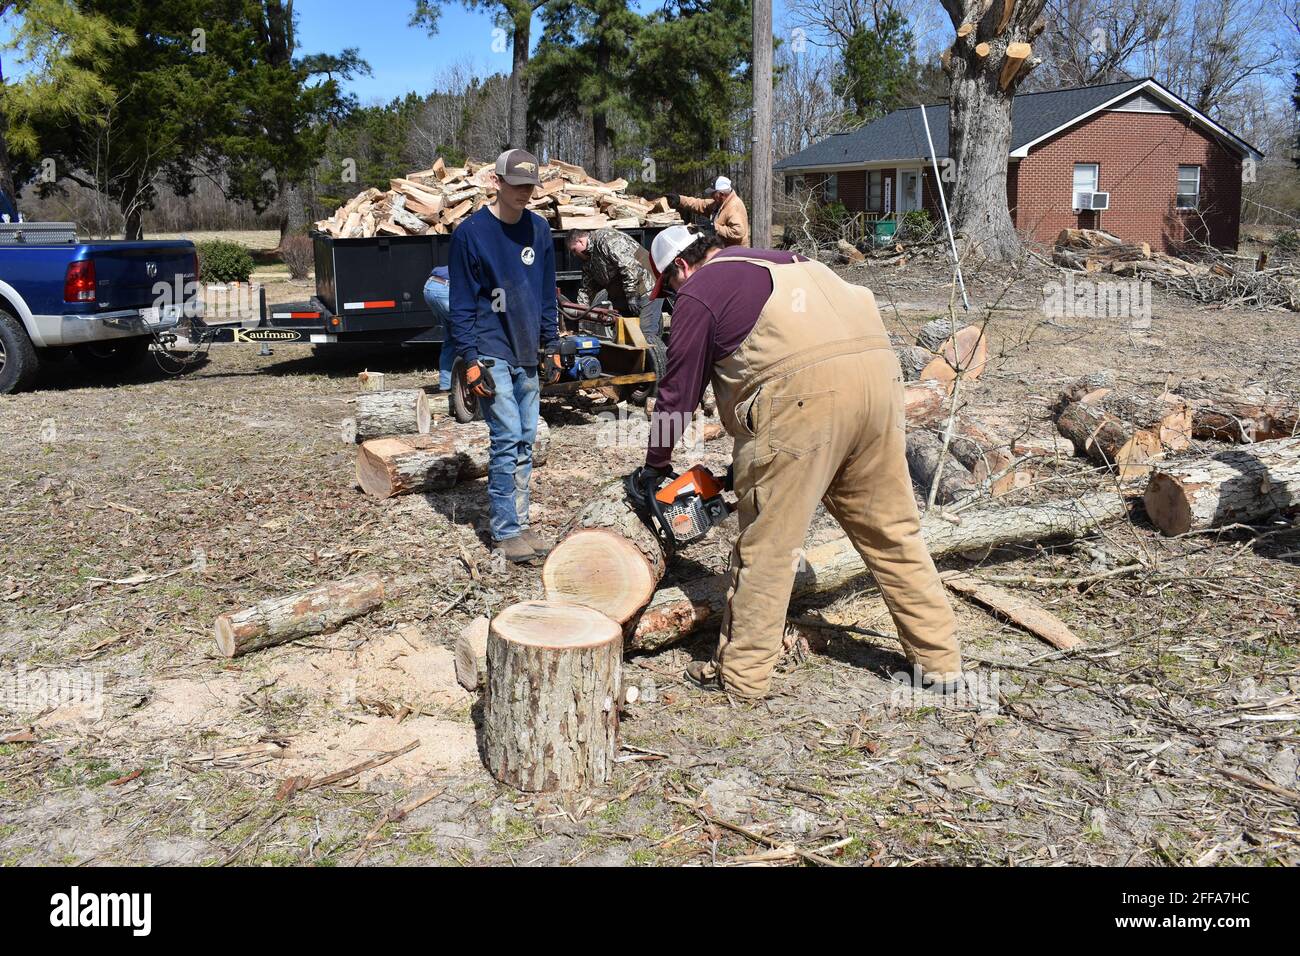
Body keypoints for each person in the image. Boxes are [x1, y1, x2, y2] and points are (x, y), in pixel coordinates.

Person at [628, 224, 963, 699]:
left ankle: (742, 675)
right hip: (881, 385)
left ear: (680, 267)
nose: (675, 298)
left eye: (671, 288)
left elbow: (677, 394)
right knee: (893, 531)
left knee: (769, 544)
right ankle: (940, 662)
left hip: (804, 401)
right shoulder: (792, 261)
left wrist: (656, 465)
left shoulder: (700, 290)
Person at [448, 148, 562, 564]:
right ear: (497, 182)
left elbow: (546, 292)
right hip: (491, 347)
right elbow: (461, 303)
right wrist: (470, 360)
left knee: (527, 439)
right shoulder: (470, 234)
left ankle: (521, 522)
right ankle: (505, 530)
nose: (523, 192)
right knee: (507, 436)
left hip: (528, 347)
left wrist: (550, 343)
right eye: (515, 184)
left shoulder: (539, 231)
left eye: (530, 185)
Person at [566, 228, 653, 317]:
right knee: (622, 327)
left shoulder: (606, 239)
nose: (574, 254)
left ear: (581, 242)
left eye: (573, 250)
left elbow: (628, 266)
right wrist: (582, 310)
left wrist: (631, 296)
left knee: (646, 328)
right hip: (622, 294)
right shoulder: (588, 258)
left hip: (644, 285)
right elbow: (587, 287)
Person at [665, 176, 750, 247]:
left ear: (721, 194)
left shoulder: (734, 206)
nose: (711, 195)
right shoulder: (720, 203)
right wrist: (680, 199)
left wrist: (713, 227)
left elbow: (738, 233)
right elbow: (700, 204)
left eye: (713, 193)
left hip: (734, 255)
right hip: (723, 250)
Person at [422, 265, 455, 391]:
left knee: (451, 338)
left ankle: (446, 385)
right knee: (469, 333)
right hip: (445, 288)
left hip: (431, 285)